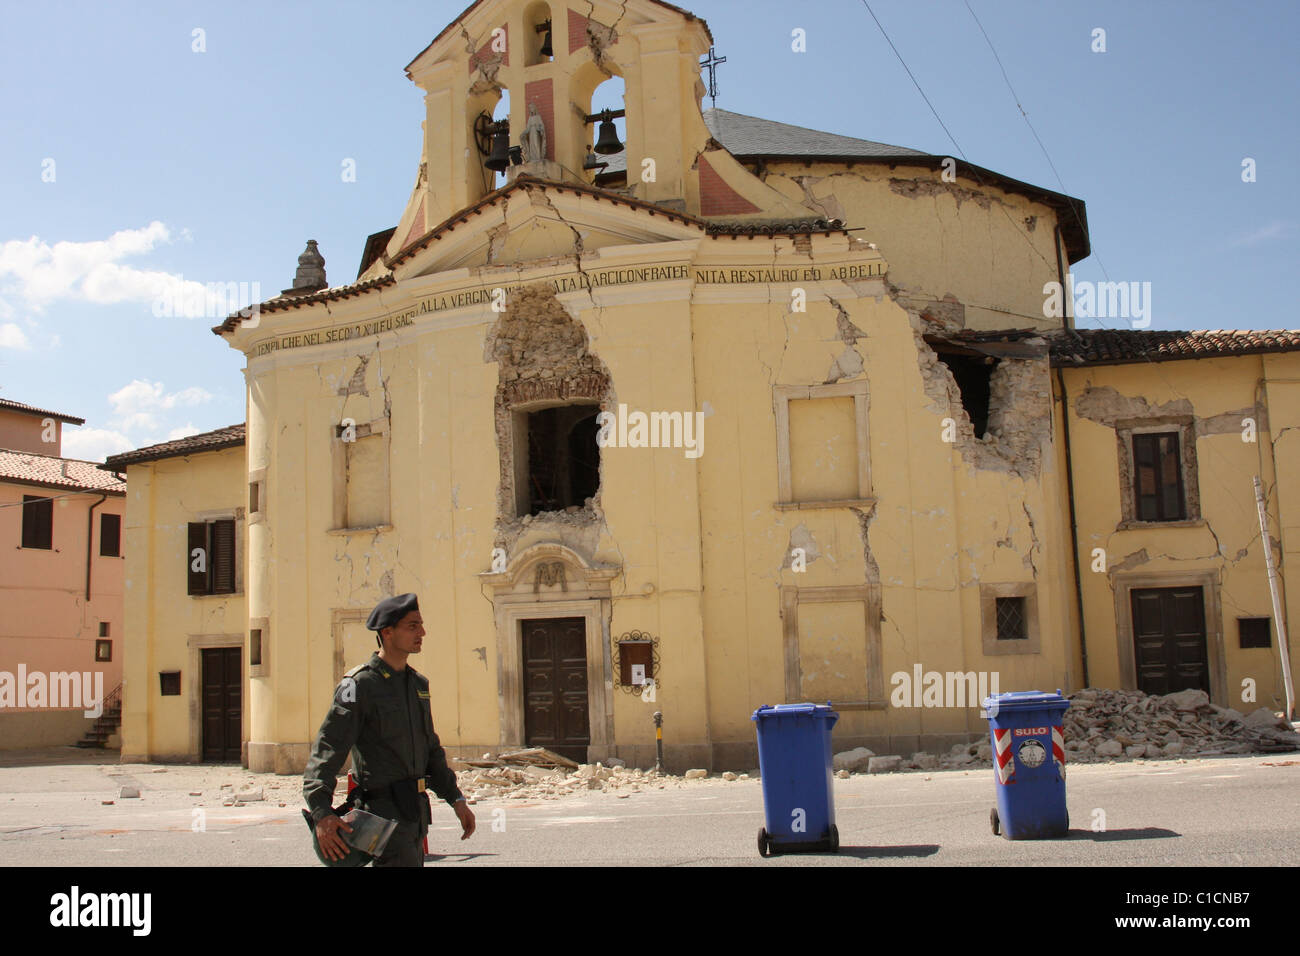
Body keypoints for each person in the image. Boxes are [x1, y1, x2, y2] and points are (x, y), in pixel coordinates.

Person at [303, 593, 475, 866]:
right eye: (412, 626)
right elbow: (328, 748)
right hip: (381, 815)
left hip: (414, 813)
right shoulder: (359, 686)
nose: (422, 632)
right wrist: (321, 812)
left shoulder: (418, 685)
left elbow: (431, 749)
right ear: (388, 632)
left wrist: (456, 798)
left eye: (421, 624)